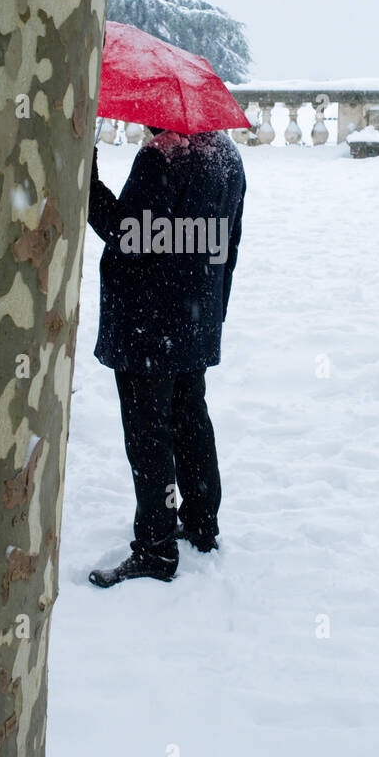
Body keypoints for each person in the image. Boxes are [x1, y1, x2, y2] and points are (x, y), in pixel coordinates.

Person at [86, 126, 246, 588]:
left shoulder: (163, 156)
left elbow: (127, 234)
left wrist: (89, 180)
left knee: (149, 434)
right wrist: (215, 314)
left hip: (148, 323)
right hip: (193, 321)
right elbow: (228, 244)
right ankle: (200, 522)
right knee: (190, 420)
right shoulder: (226, 155)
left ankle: (156, 547)